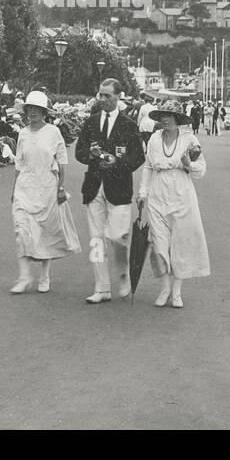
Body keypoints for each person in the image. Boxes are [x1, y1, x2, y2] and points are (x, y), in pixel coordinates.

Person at [74, 79, 146, 303]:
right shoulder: (91, 123)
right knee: (96, 240)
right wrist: (91, 155)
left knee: (117, 236)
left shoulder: (129, 125)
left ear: (118, 97)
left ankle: (123, 272)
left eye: (108, 96)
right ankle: (102, 287)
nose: (103, 100)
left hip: (120, 188)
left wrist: (117, 163)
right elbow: (80, 152)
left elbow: (138, 157)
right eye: (100, 95)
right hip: (94, 186)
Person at [138, 103, 209, 308]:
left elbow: (200, 170)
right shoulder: (153, 138)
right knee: (160, 245)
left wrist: (188, 164)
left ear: (178, 118)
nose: (166, 119)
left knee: (181, 244)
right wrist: (143, 192)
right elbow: (148, 166)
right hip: (158, 192)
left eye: (170, 116)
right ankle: (165, 287)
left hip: (182, 194)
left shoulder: (189, 139)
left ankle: (177, 291)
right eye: (163, 115)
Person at [8, 90, 80, 293]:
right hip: (25, 186)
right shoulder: (22, 133)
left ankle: (44, 276)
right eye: (30, 109)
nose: (33, 113)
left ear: (44, 112)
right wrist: (14, 189)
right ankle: (23, 277)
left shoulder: (53, 132)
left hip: (47, 186)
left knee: (44, 232)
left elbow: (62, 162)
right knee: (21, 230)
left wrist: (61, 187)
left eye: (37, 110)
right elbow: (19, 163)